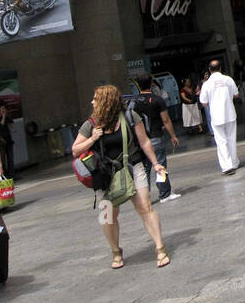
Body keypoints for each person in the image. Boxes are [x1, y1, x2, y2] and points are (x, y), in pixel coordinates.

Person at [73, 85, 170, 269]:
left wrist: (156, 163)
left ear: (105, 101)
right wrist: (92, 138)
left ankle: (160, 248)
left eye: (95, 98)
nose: (91, 102)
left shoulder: (130, 117)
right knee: (107, 215)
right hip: (105, 174)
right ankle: (116, 252)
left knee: (145, 208)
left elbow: (144, 141)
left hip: (133, 167)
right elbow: (75, 150)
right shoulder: (90, 124)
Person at [133, 73, 180, 203]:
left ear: (138, 84)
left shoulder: (135, 102)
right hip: (156, 137)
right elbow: (165, 120)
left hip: (141, 140)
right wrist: (173, 135)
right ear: (152, 83)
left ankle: (144, 197)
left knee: (145, 169)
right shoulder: (158, 100)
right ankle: (165, 194)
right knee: (160, 165)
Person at [200, 60, 241, 175]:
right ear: (220, 67)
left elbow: (203, 102)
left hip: (217, 116)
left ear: (209, 69)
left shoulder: (207, 84)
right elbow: (236, 94)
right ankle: (234, 162)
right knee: (231, 139)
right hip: (230, 114)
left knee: (221, 141)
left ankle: (227, 166)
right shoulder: (228, 79)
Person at [0, 104, 15, 179]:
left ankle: (12, 175)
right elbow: (1, 125)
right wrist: (3, 117)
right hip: (1, 141)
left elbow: (11, 125)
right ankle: (4, 175)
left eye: (4, 108)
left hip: (8, 140)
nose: (4, 110)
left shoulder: (7, 117)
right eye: (2, 108)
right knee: (2, 159)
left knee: (10, 159)